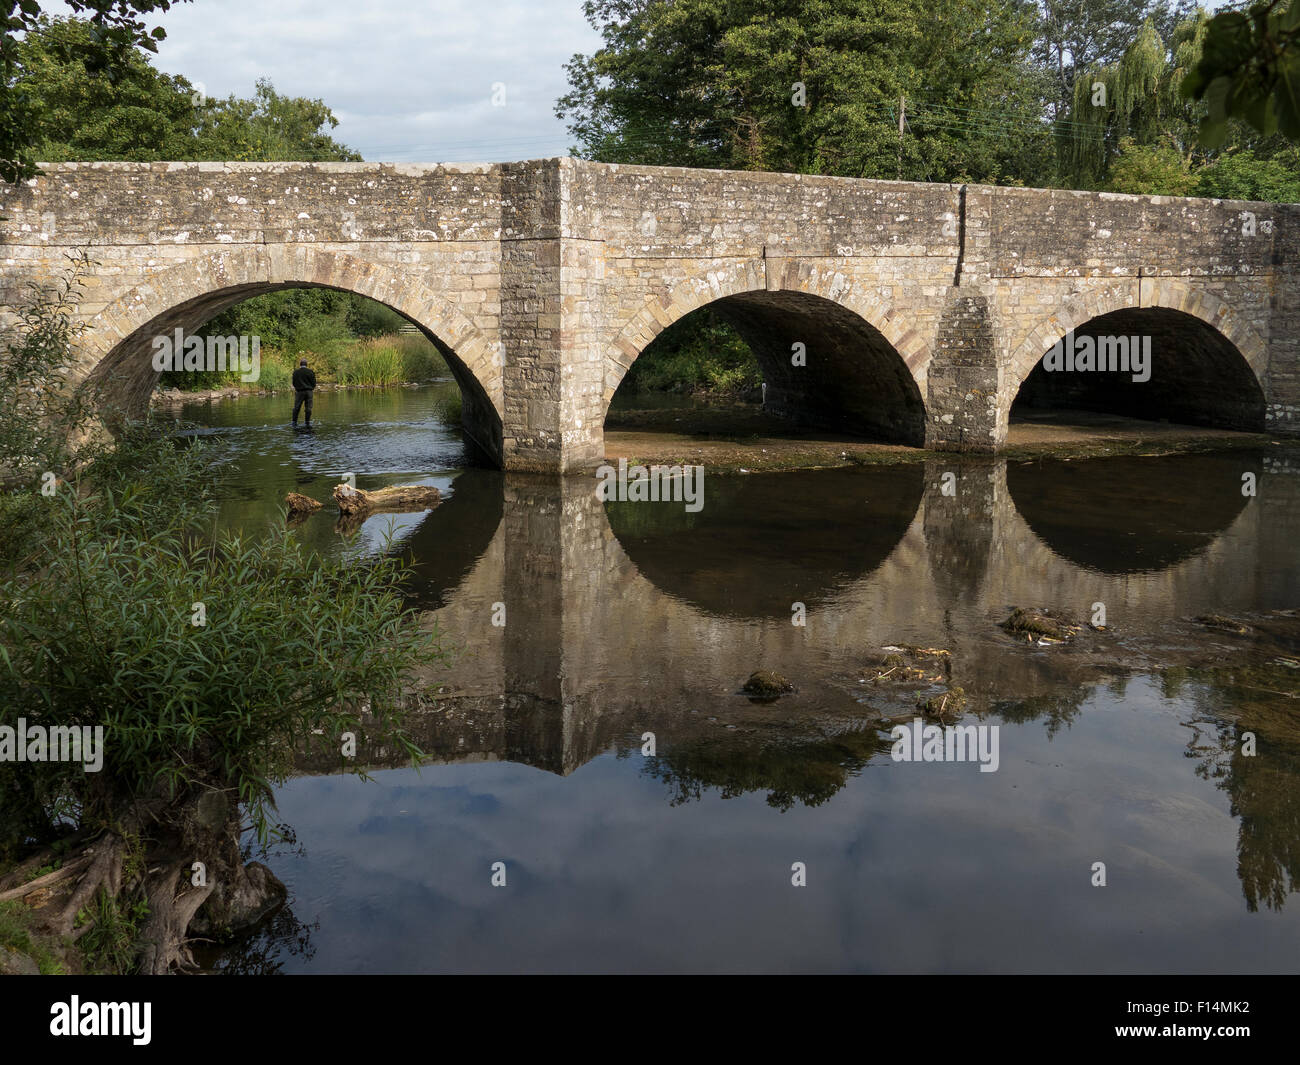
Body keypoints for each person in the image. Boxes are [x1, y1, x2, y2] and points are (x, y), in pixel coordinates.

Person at [291, 357, 316, 427]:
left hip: (299, 392)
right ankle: (307, 422)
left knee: (297, 407)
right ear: (306, 364)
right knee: (308, 408)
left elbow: (293, 382)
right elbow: (314, 383)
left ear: (300, 364)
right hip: (309, 392)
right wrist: (311, 388)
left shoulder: (296, 372)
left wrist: (297, 388)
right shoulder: (310, 372)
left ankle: (294, 422)